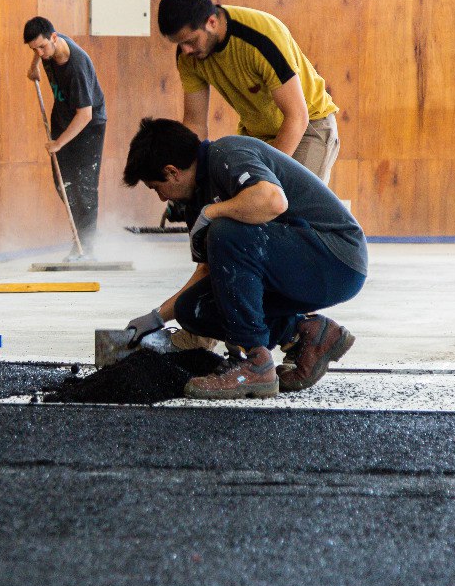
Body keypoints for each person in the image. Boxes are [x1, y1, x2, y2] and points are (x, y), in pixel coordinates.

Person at [122, 117, 367, 399]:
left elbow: (273, 200)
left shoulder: (227, 154)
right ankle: (307, 332)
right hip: (301, 264)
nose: (161, 198)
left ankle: (256, 364)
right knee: (192, 309)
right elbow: (208, 272)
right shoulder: (196, 198)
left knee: (226, 231)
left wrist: (212, 213)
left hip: (337, 258)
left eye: (156, 187)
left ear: (172, 171)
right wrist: (156, 317)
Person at [157, 0, 340, 183]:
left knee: (286, 198)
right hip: (258, 135)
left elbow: (297, 116)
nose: (186, 50)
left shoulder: (261, 37)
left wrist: (265, 178)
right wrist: (190, 178)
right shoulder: (188, 56)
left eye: (191, 41)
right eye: (179, 44)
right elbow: (195, 123)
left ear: (211, 22)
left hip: (308, 127)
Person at [24, 16, 107, 258]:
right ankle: (81, 237)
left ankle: (86, 245)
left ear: (54, 37)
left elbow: (85, 114)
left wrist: (59, 143)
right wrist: (34, 66)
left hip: (88, 126)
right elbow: (39, 51)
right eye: (34, 49)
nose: (40, 53)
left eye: (42, 47)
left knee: (84, 187)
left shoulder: (76, 66)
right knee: (64, 184)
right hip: (63, 119)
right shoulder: (47, 48)